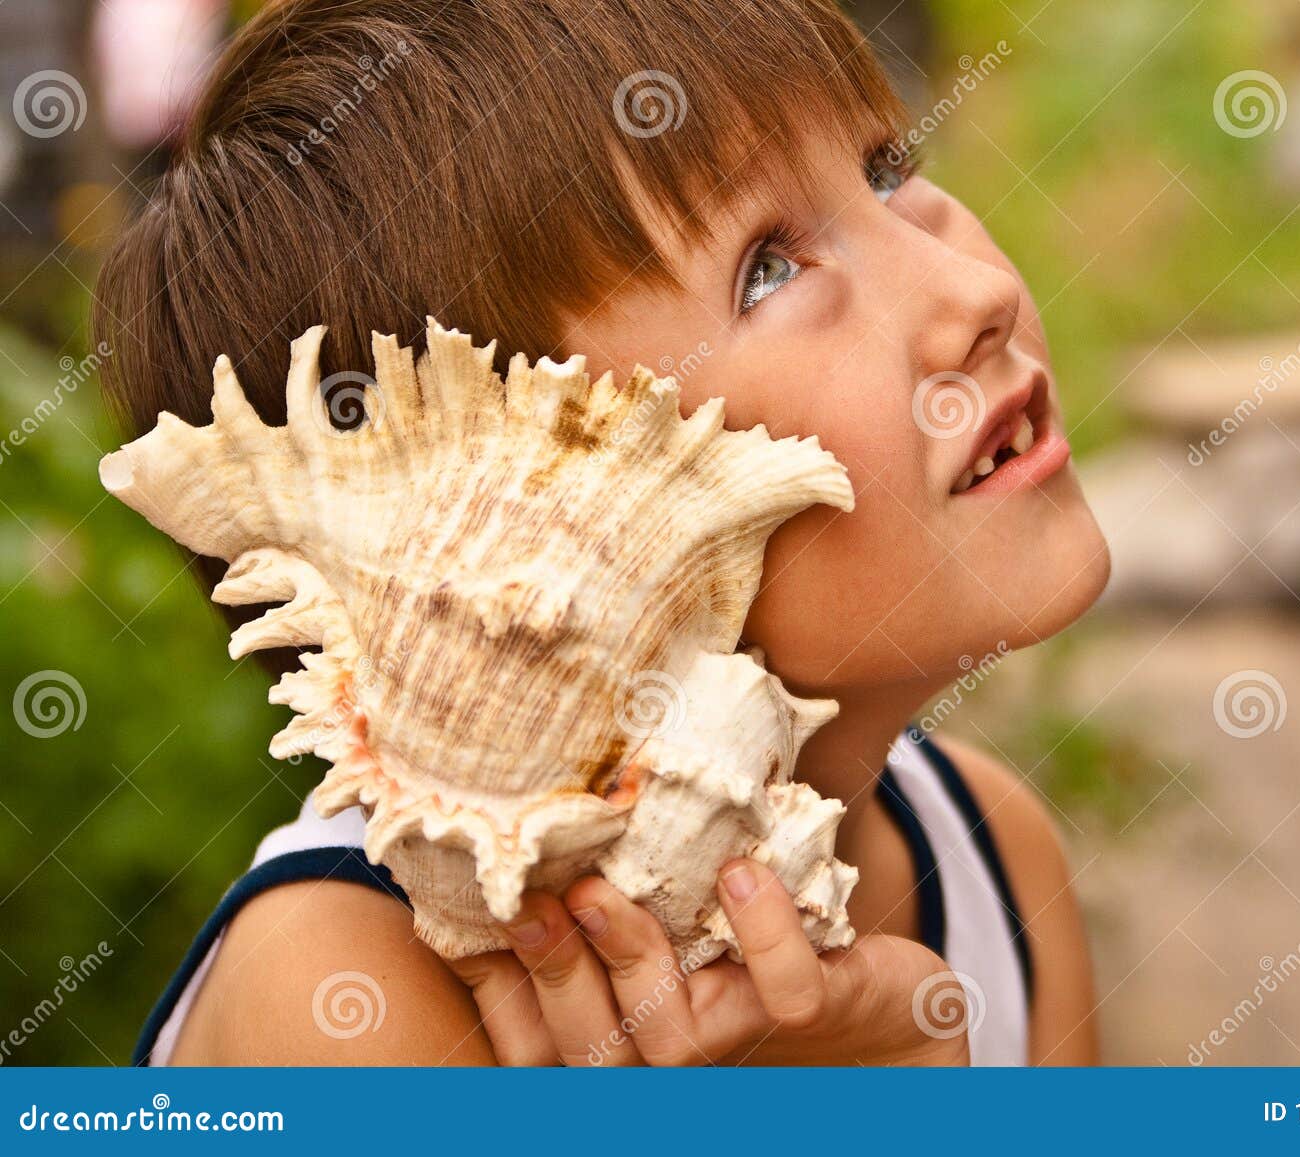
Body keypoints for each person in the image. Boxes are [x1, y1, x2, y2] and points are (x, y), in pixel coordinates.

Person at [95, 0, 1110, 1067]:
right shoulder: (341, 993)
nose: (978, 290)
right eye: (767, 269)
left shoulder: (996, 850)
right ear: (499, 528)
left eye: (887, 168)